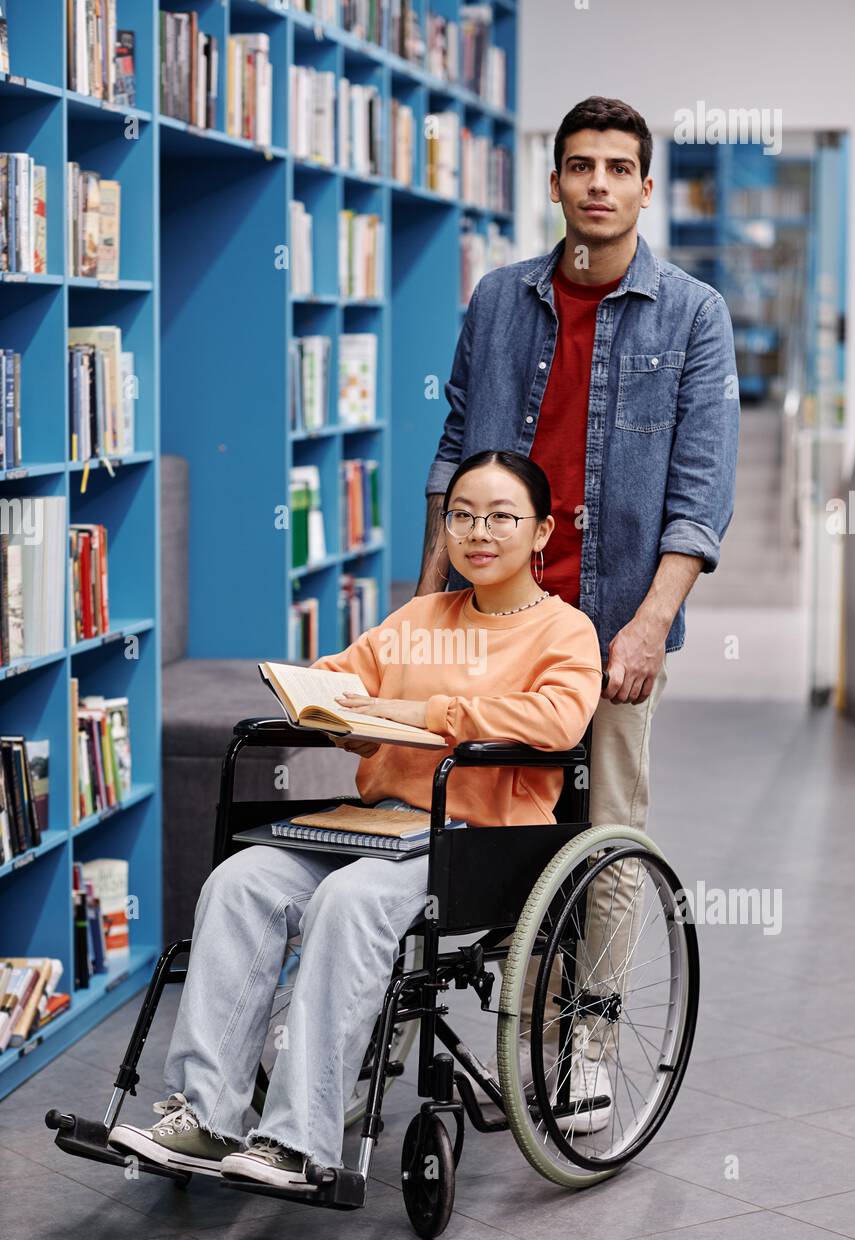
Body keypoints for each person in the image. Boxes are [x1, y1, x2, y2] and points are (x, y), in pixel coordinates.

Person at [107, 451, 603, 1190]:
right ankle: (206, 1116)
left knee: (349, 899)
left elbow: (558, 720)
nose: (478, 531)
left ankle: (298, 1141)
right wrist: (332, 707)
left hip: (473, 844)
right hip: (371, 824)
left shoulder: (564, 633)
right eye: (461, 515)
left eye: (502, 516)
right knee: (239, 882)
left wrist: (426, 715)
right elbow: (344, 675)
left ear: (542, 532)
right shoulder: (420, 617)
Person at [417, 96, 739, 1104]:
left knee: (603, 831)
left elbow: (697, 498)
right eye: (578, 165)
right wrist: (422, 602)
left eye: (616, 167)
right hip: (488, 614)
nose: (596, 182)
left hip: (605, 628)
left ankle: (588, 1039)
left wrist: (646, 627)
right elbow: (454, 452)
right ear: (552, 181)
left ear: (644, 188)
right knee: (488, 816)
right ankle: (504, 1008)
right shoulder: (495, 299)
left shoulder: (691, 314)